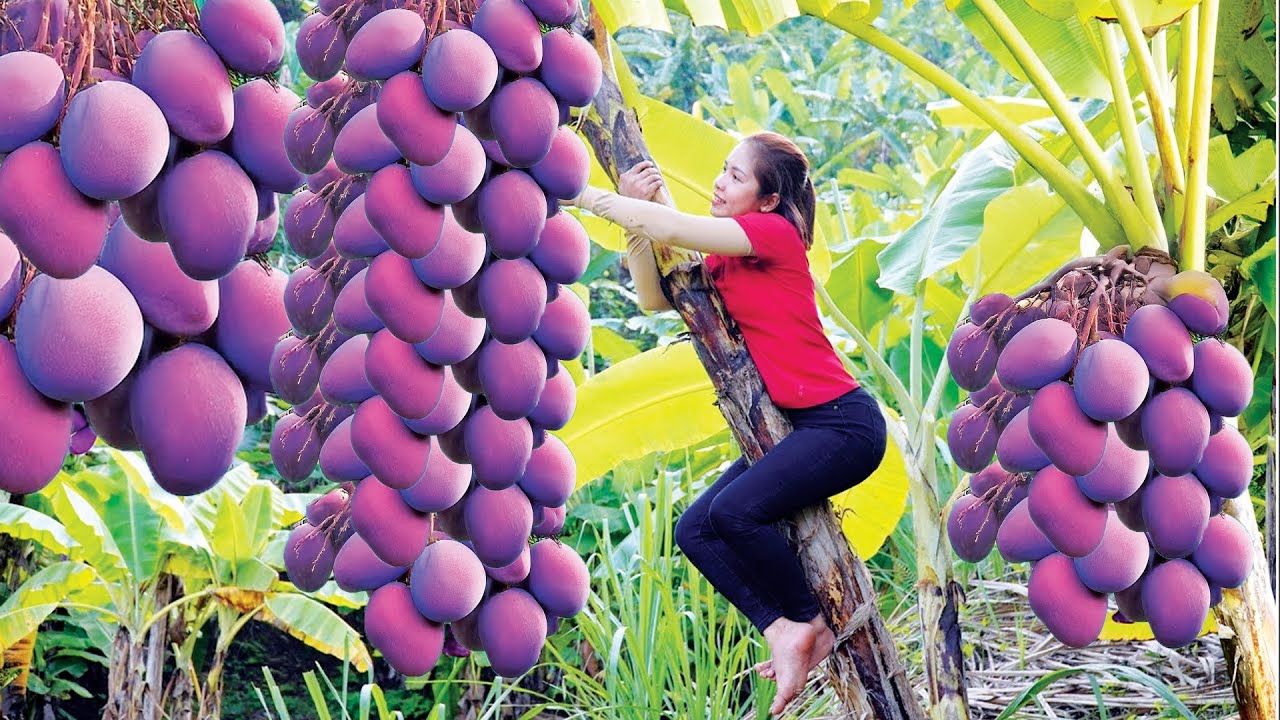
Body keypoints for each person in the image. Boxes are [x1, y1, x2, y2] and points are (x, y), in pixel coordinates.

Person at [565, 131, 888, 717]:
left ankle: (809, 620)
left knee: (734, 514)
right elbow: (653, 299)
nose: (719, 181)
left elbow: (674, 229)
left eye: (736, 176)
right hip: (800, 428)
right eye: (723, 169)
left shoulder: (773, 236)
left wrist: (582, 194)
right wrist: (638, 220)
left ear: (766, 200)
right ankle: (783, 630)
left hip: (842, 426)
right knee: (696, 531)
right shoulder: (728, 257)